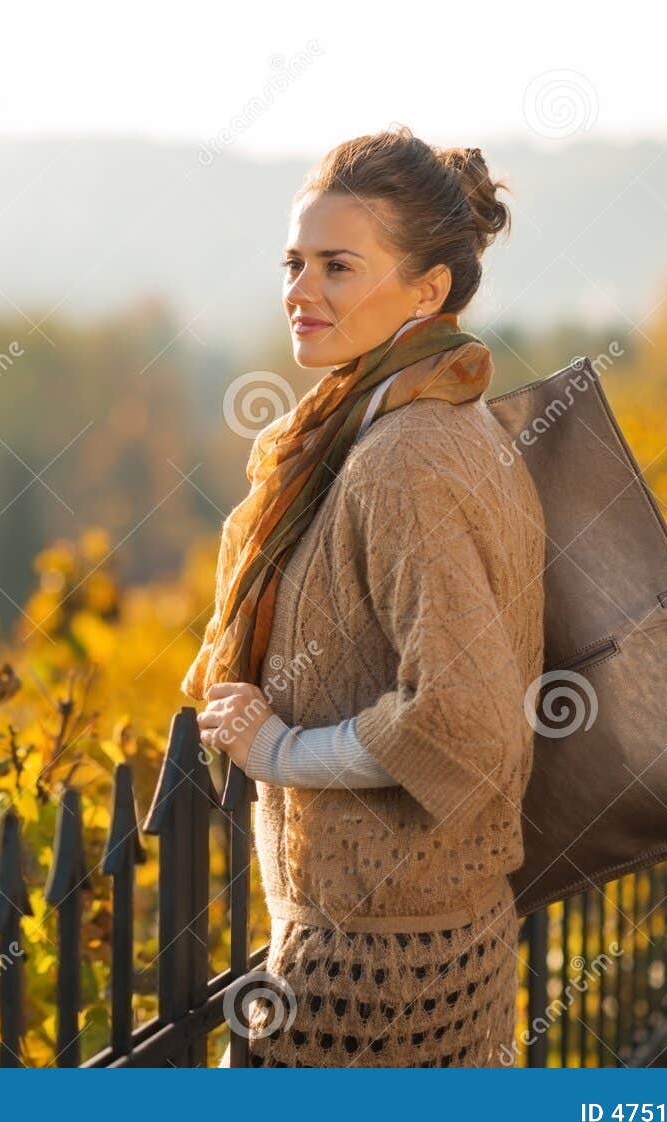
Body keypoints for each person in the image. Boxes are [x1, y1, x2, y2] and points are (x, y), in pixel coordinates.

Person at [185, 128, 544, 1067]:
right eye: (295, 262)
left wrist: (276, 749)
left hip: (368, 969)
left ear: (428, 291)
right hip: (431, 943)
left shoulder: (404, 456)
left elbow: (464, 722)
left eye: (338, 267)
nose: (301, 292)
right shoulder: (434, 421)